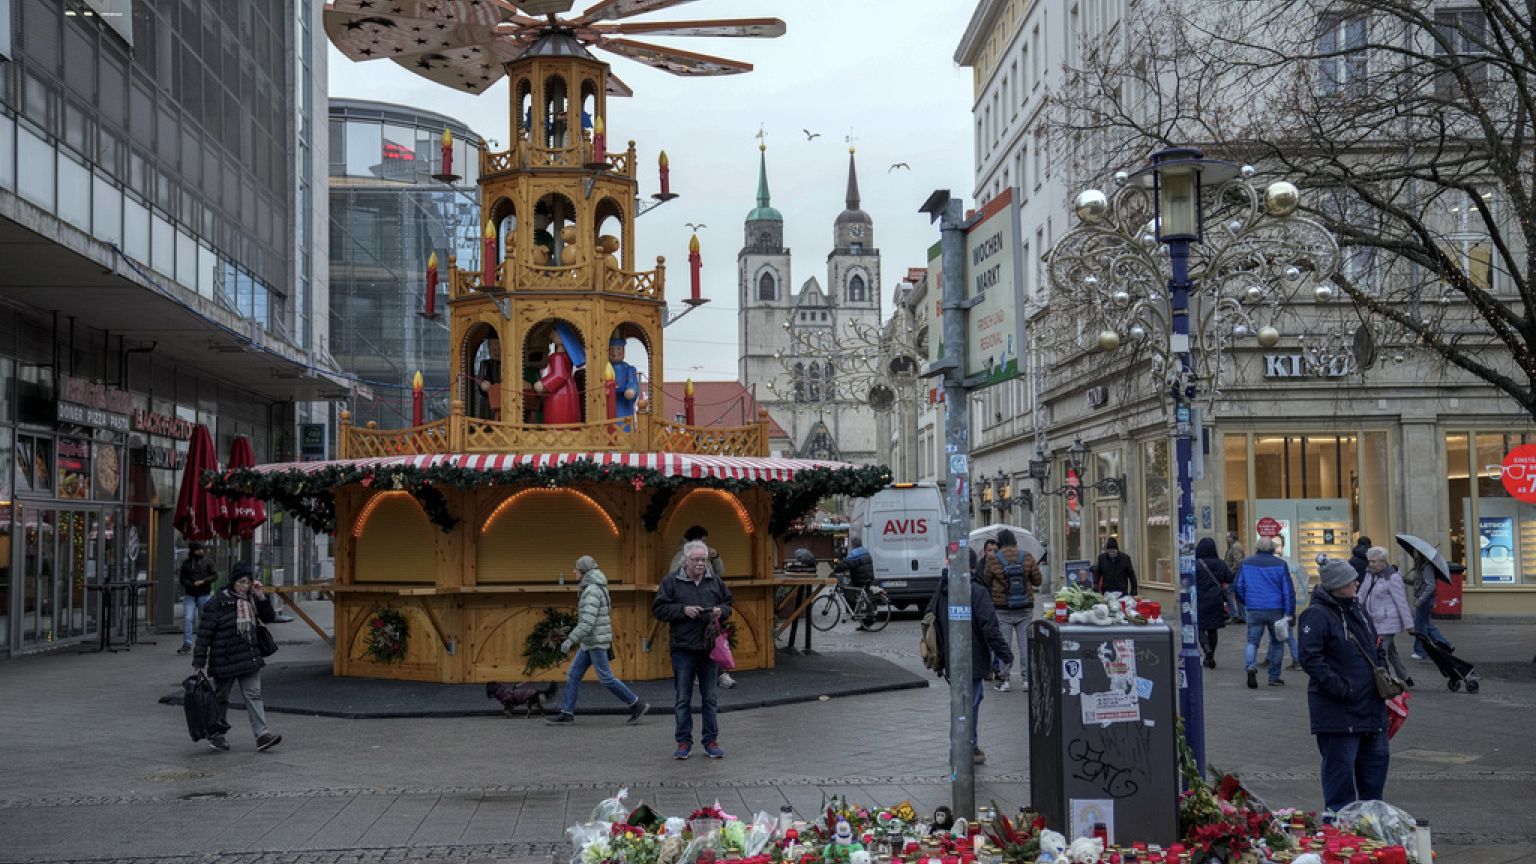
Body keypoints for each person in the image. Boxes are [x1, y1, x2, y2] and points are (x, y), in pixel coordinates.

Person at [1298, 560, 1391, 814]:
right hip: (1338, 713)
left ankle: (1371, 826)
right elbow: (1310, 658)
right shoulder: (1317, 615)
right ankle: (1338, 827)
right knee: (1339, 781)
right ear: (1337, 585)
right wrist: (1342, 688)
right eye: (1351, 580)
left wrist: (1382, 672)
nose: (1357, 583)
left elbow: (1376, 645)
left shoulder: (1358, 609)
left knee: (1374, 780)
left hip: (1371, 709)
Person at [652, 540, 734, 760]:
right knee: (683, 698)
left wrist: (721, 611)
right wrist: (683, 610)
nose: (700, 563)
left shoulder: (715, 582)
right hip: (683, 648)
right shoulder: (671, 582)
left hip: (709, 649)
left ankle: (711, 741)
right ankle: (683, 742)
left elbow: (728, 604)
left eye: (703, 560)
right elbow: (658, 609)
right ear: (685, 560)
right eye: (696, 559)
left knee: (710, 698)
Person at [547, 556, 648, 726]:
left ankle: (637, 705)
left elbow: (588, 622)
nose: (574, 571)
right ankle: (567, 713)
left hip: (595, 642)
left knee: (606, 678)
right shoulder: (595, 586)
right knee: (573, 675)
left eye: (576, 569)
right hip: (590, 641)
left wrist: (570, 640)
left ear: (583, 571)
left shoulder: (592, 590)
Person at [191, 562, 281, 752]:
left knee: (254, 694)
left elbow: (269, 617)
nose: (244, 586)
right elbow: (204, 633)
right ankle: (217, 736)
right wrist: (199, 660)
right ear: (233, 582)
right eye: (241, 582)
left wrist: (261, 596)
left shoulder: (251, 598)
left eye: (248, 582)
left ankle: (262, 735)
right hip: (224, 658)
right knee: (221, 698)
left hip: (249, 656)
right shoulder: (217, 602)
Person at [927, 569, 1012, 765]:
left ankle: (968, 745)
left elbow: (931, 615)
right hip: (972, 657)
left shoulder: (944, 586)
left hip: (951, 655)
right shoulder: (976, 590)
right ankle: (961, 749)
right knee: (968, 704)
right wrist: (1005, 654)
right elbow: (990, 627)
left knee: (968, 700)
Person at [667, 525, 735, 688]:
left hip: (708, 612)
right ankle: (703, 675)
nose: (706, 544)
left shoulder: (705, 557)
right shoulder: (680, 558)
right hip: (689, 617)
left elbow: (720, 574)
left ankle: (718, 674)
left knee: (713, 642)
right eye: (703, 540)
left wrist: (716, 557)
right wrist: (683, 608)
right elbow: (674, 585)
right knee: (697, 648)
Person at [1234, 537, 1297, 688]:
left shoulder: (1246, 563)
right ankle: (1274, 677)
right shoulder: (1280, 564)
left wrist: (1246, 601)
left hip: (1254, 608)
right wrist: (1290, 612)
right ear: (1272, 548)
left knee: (1252, 641)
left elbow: (1238, 586)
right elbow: (1288, 590)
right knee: (1277, 643)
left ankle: (1250, 666)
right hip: (1276, 609)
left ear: (1257, 547)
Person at [983, 529, 1041, 692]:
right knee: (1025, 645)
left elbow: (986, 581)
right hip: (1025, 609)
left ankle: (1005, 681)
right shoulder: (1027, 556)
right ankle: (1027, 681)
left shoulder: (993, 559)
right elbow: (1038, 581)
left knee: (1004, 645)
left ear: (999, 542)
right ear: (1015, 541)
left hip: (1002, 609)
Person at [1360, 546, 1415, 687]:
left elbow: (1401, 602)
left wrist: (1409, 625)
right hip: (1373, 621)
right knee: (1391, 652)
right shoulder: (1370, 574)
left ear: (1383, 562)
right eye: (1370, 561)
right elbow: (1362, 594)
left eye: (1374, 561)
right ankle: (1405, 677)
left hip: (1387, 622)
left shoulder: (1393, 577)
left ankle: (1384, 681)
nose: (1371, 564)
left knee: (1379, 652)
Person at [1194, 537, 1231, 669]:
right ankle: (1211, 656)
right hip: (1216, 600)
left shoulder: (1196, 564)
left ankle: (1206, 648)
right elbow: (1229, 578)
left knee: (1199, 627)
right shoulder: (1220, 564)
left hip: (1199, 599)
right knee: (1212, 629)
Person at [1409, 551, 1454, 659]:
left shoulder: (1427, 567)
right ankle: (1446, 644)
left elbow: (1431, 585)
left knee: (1420, 627)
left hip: (1425, 601)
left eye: (1416, 552)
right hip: (1423, 599)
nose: (1414, 554)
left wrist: (1420, 600)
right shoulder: (1420, 567)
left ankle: (1421, 651)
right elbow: (1418, 583)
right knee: (1426, 625)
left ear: (1420, 554)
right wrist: (1405, 580)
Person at [177, 541, 217, 655]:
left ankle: (205, 644)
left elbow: (215, 575)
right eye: (199, 549)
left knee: (204, 620)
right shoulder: (186, 563)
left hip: (204, 595)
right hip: (190, 595)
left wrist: (203, 581)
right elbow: (182, 579)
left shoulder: (208, 562)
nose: (201, 551)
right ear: (193, 551)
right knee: (188, 618)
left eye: (202, 549)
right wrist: (191, 584)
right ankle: (187, 644)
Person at [842, 534, 877, 629]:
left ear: (854, 544)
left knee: (849, 593)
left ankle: (857, 615)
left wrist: (838, 568)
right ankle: (865, 623)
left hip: (860, 579)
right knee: (863, 600)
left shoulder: (855, 553)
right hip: (868, 578)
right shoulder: (865, 550)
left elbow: (848, 563)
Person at [608, 337, 641, 419]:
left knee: (622, 419)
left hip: (623, 402)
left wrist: (631, 390)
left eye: (618, 349)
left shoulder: (629, 369)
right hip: (608, 400)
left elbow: (632, 382)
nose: (614, 353)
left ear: (623, 350)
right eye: (611, 349)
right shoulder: (606, 367)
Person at [1224, 531, 1248, 622]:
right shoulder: (1233, 546)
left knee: (1228, 591)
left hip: (1234, 574)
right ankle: (1242, 615)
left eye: (1227, 537)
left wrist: (1230, 572)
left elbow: (1238, 562)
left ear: (1232, 537)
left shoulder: (1235, 547)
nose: (1226, 538)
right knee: (1237, 594)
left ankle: (1234, 614)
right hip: (1236, 574)